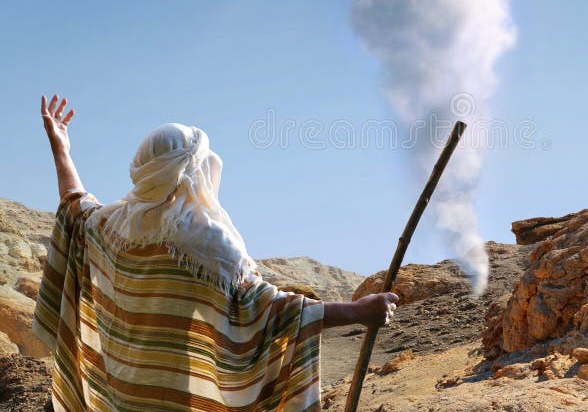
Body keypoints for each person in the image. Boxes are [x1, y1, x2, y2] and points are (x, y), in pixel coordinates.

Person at [33, 93, 398, 412]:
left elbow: (74, 204)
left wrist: (60, 147)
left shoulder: (109, 226)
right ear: (195, 169)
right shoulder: (206, 242)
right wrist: (356, 311)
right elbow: (273, 311)